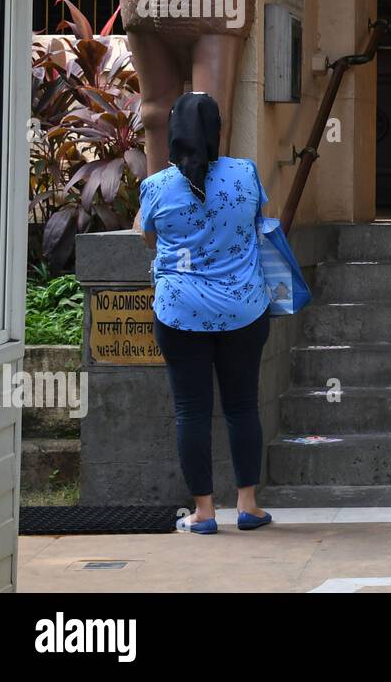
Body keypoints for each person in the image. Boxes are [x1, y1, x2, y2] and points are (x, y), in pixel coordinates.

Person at [137, 91, 273, 534]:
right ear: (217, 131)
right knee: (242, 406)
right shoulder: (245, 174)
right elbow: (257, 225)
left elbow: (146, 235)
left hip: (180, 313)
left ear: (175, 133)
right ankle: (249, 505)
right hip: (244, 310)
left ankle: (204, 512)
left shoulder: (156, 186)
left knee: (192, 412)